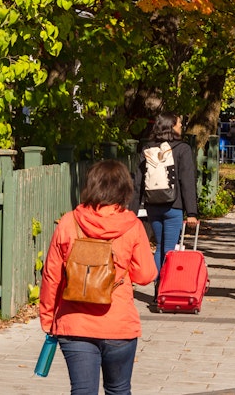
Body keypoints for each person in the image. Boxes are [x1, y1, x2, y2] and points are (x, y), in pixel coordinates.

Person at [39, 159, 157, 395]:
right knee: (119, 390)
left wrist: (48, 318)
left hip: (74, 323)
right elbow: (146, 275)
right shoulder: (132, 225)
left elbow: (52, 275)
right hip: (119, 324)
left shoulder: (68, 222)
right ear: (125, 189)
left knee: (82, 391)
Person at [132, 112, 200, 294]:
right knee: (169, 249)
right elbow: (187, 181)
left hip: (152, 205)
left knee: (161, 245)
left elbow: (138, 182)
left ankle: (157, 284)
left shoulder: (148, 148)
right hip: (173, 205)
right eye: (179, 124)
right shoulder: (182, 149)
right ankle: (162, 288)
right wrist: (192, 212)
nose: (181, 127)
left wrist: (132, 210)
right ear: (171, 127)